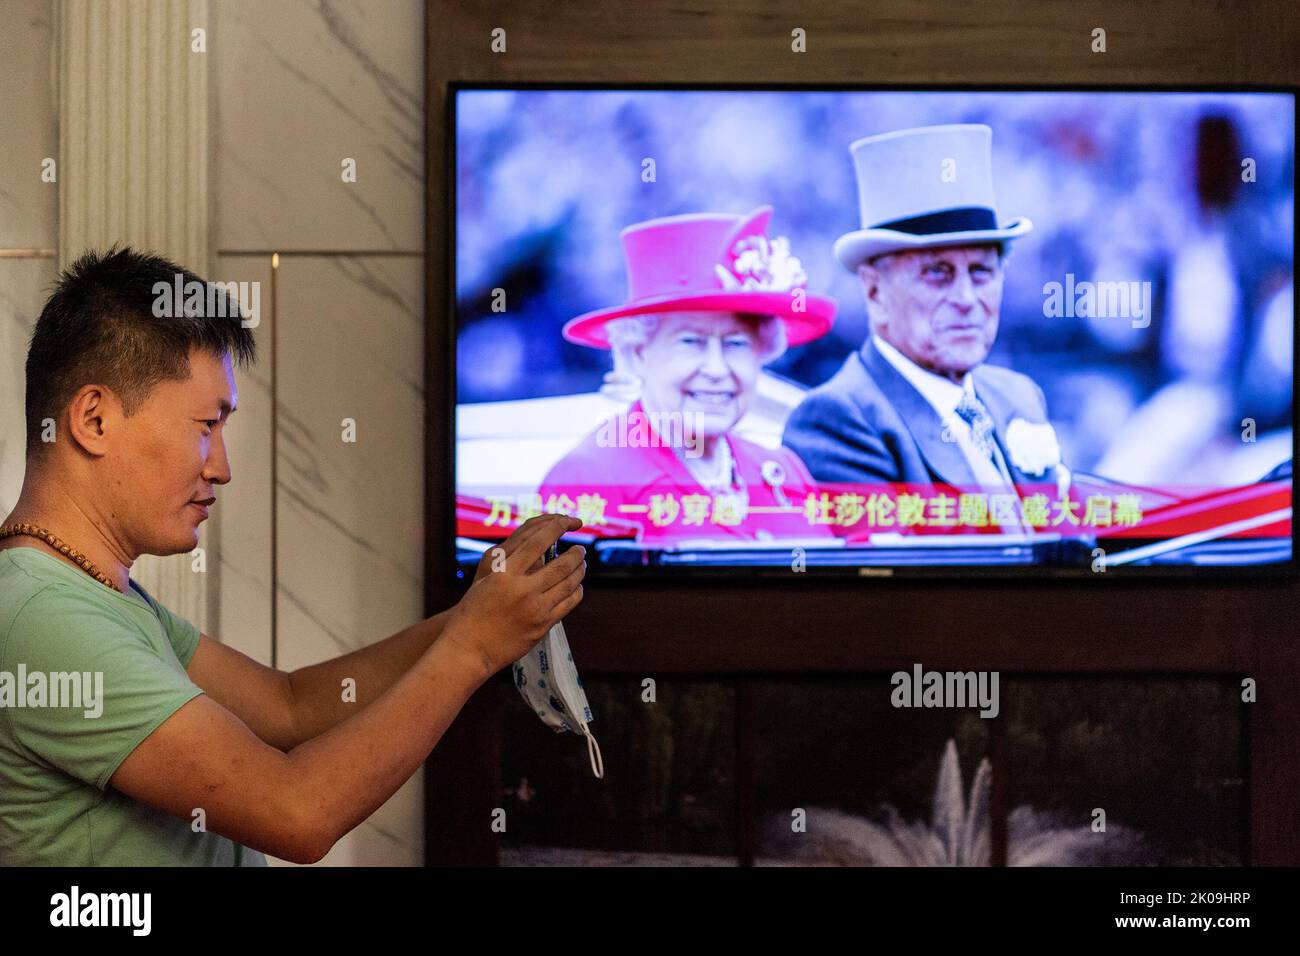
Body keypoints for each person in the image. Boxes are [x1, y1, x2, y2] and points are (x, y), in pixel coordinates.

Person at [0, 246, 584, 865]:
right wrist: (473, 648)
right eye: (206, 426)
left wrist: (477, 613)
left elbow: (288, 706)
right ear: (93, 419)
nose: (221, 468)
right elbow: (297, 813)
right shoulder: (46, 618)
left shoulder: (86, 592)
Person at [783, 125, 1068, 510]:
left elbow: (1072, 538)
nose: (966, 299)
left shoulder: (1016, 395)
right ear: (874, 292)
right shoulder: (839, 421)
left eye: (982, 272)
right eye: (937, 273)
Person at [538, 207, 837, 545]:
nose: (716, 369)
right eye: (691, 342)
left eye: (735, 343)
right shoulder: (588, 480)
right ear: (637, 353)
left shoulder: (785, 472)